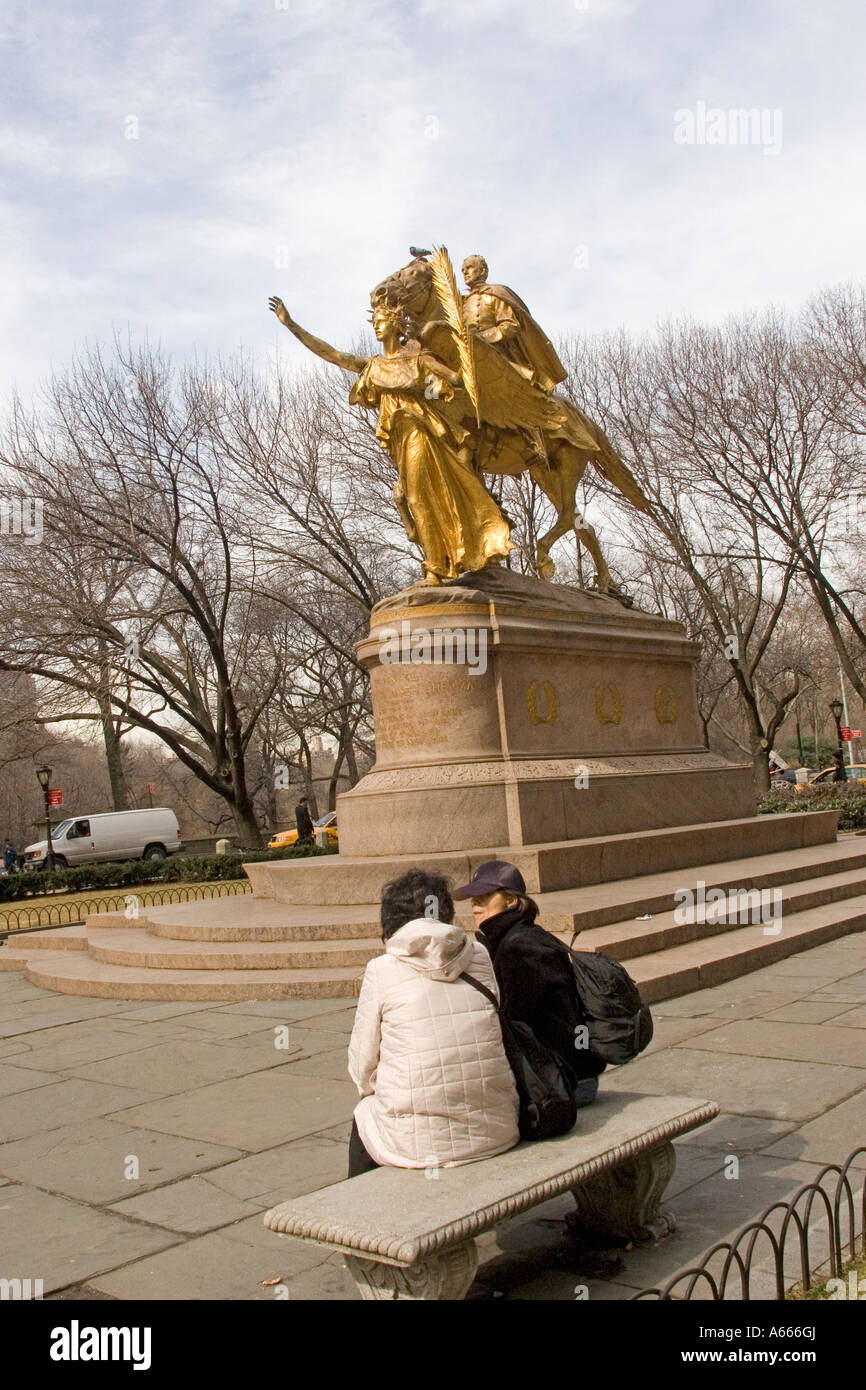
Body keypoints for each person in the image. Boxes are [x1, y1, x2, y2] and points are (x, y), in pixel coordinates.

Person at [346, 868, 520, 1176]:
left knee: (364, 1117)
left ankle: (360, 1212)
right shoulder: (478, 954)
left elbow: (362, 1069)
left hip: (419, 1145)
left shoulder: (381, 970)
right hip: (497, 1130)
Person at [453, 860, 604, 1108]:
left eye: (484, 896)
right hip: (573, 1076)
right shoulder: (523, 937)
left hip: (566, 1085)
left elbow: (514, 1023)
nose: (474, 905)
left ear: (511, 901)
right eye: (472, 898)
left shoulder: (518, 949)